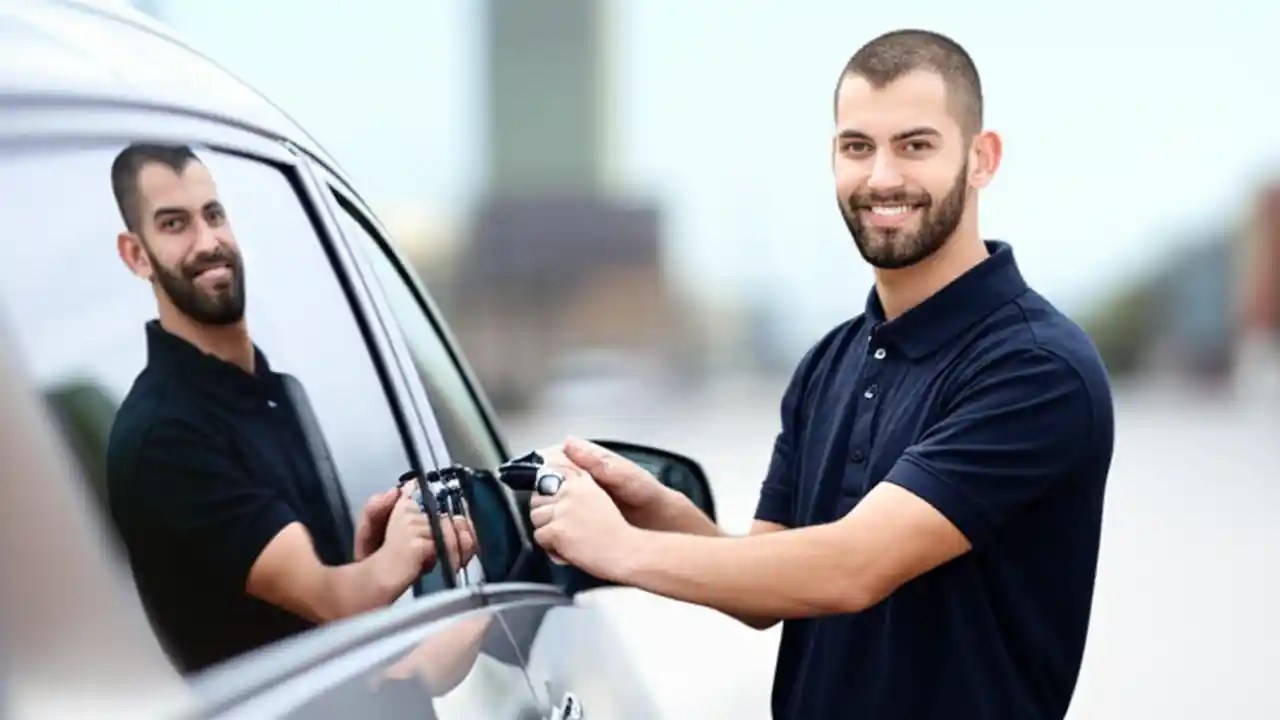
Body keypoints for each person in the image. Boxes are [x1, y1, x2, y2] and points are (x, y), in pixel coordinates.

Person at [528, 29, 1115, 720]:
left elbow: (852, 568)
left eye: (915, 145)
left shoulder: (1035, 368)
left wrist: (622, 551)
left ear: (981, 158)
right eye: (857, 147)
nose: (882, 178)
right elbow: (771, 587)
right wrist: (666, 520)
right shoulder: (829, 363)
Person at [104, 142, 474, 673]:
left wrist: (366, 555)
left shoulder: (282, 392)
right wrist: (409, 553)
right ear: (136, 254)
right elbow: (331, 600)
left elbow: (304, 621)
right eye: (174, 224)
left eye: (214, 214)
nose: (208, 241)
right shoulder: (164, 435)